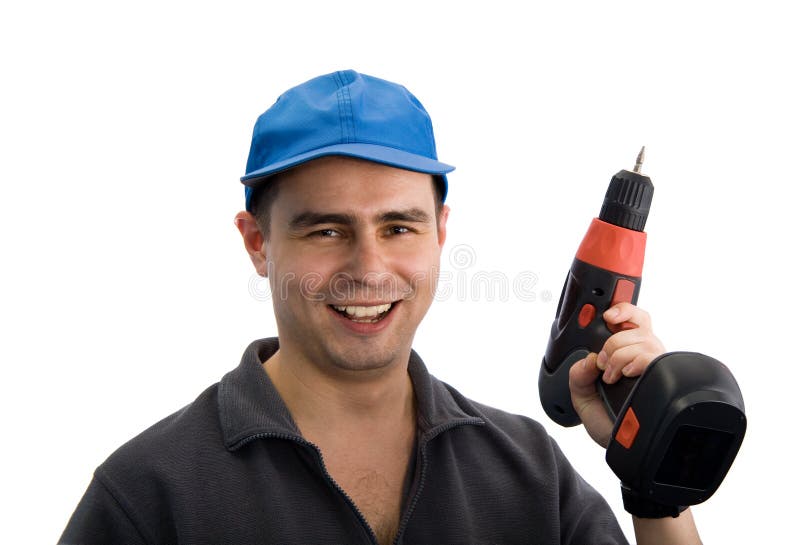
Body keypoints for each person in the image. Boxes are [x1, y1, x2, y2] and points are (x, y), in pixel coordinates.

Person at [59, 70, 702, 545]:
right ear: (258, 244)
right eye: (327, 231)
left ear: (440, 234)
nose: (369, 269)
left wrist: (653, 475)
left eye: (399, 227)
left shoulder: (530, 473)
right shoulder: (148, 496)